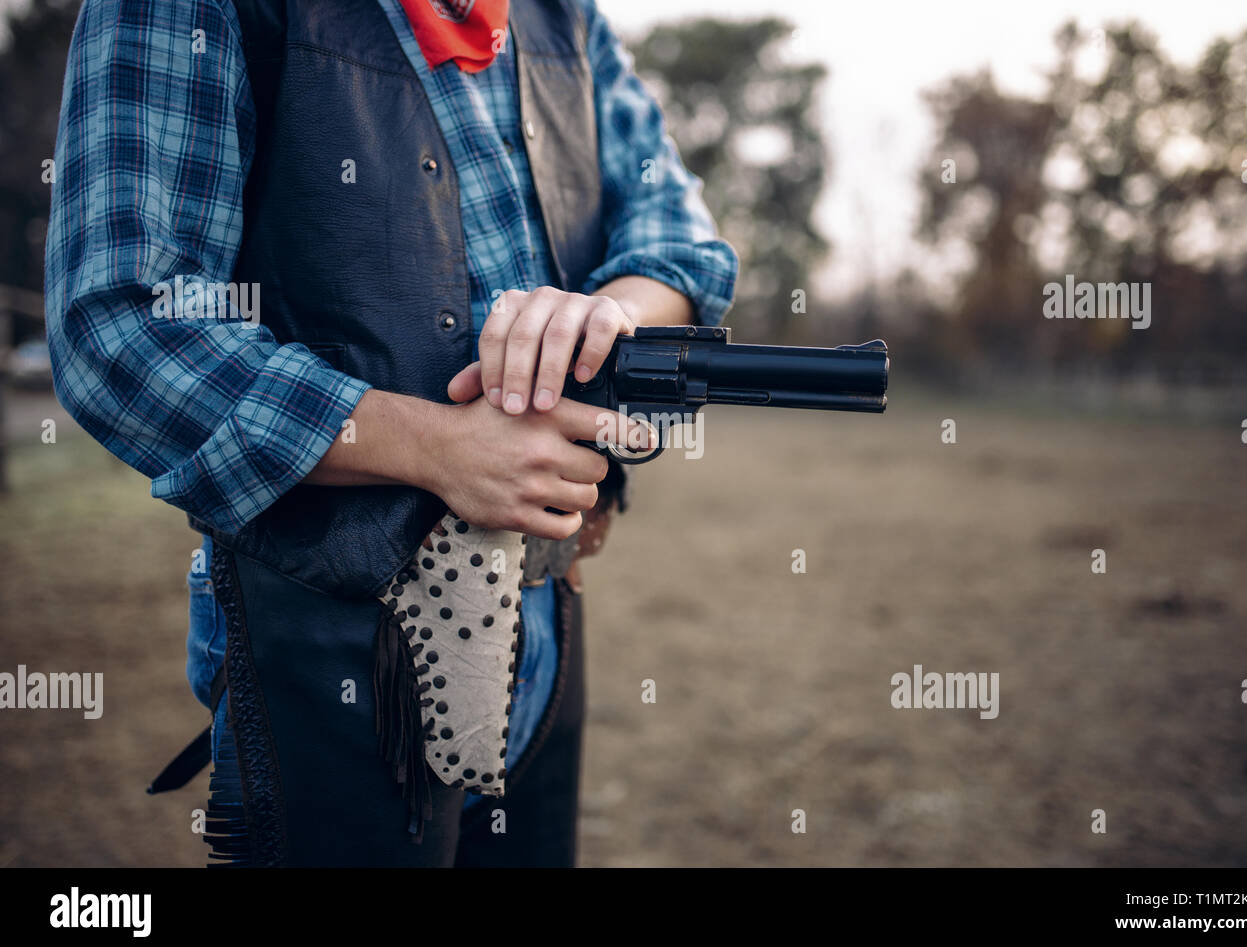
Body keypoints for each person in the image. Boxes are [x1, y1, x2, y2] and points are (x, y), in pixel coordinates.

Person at [45, 0, 737, 866]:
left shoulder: (566, 17)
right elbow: (124, 324)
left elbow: (680, 238)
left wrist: (603, 316)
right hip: (330, 630)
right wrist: (435, 447)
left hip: (544, 613)